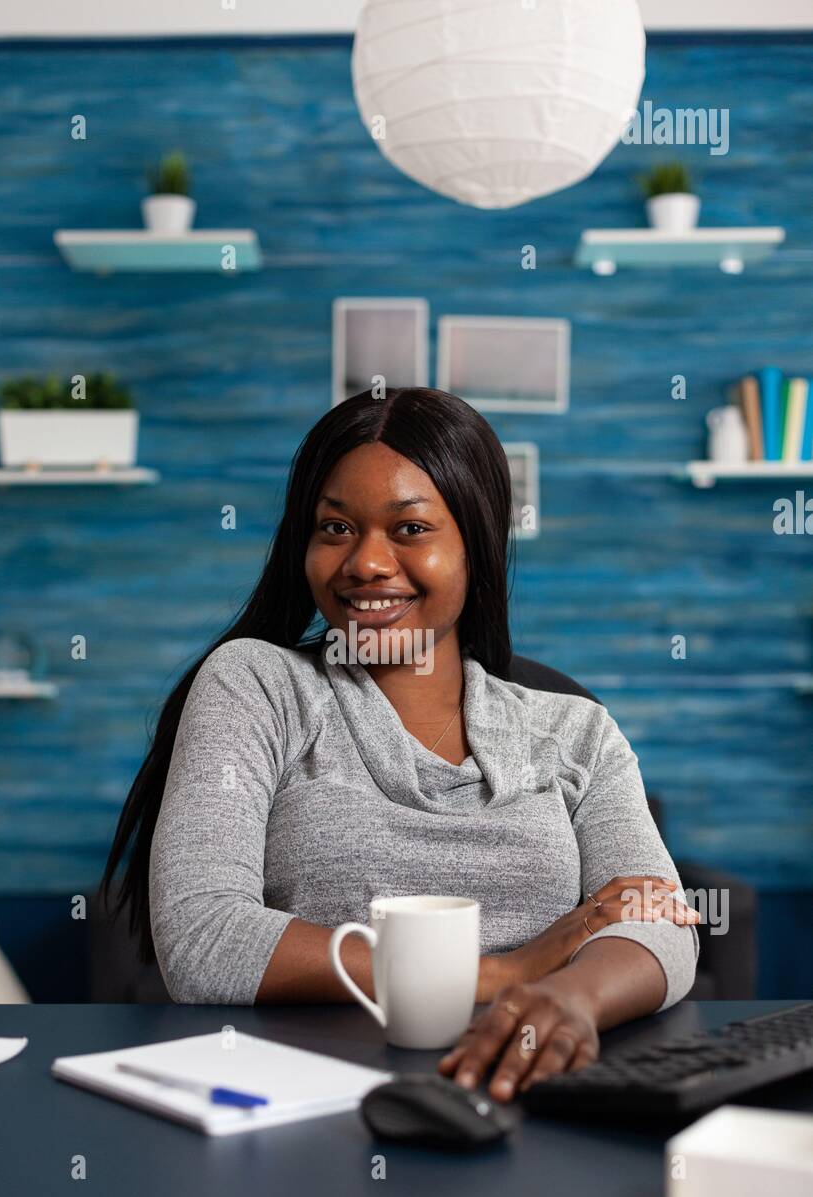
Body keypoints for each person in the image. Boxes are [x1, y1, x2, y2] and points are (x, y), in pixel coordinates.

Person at [103, 387, 699, 1103]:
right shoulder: (255, 685)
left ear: (474, 544)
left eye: (409, 529)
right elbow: (204, 941)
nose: (366, 563)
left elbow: (660, 925)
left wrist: (571, 999)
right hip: (299, 1100)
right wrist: (494, 977)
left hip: (535, 1086)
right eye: (336, 528)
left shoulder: (575, 732)